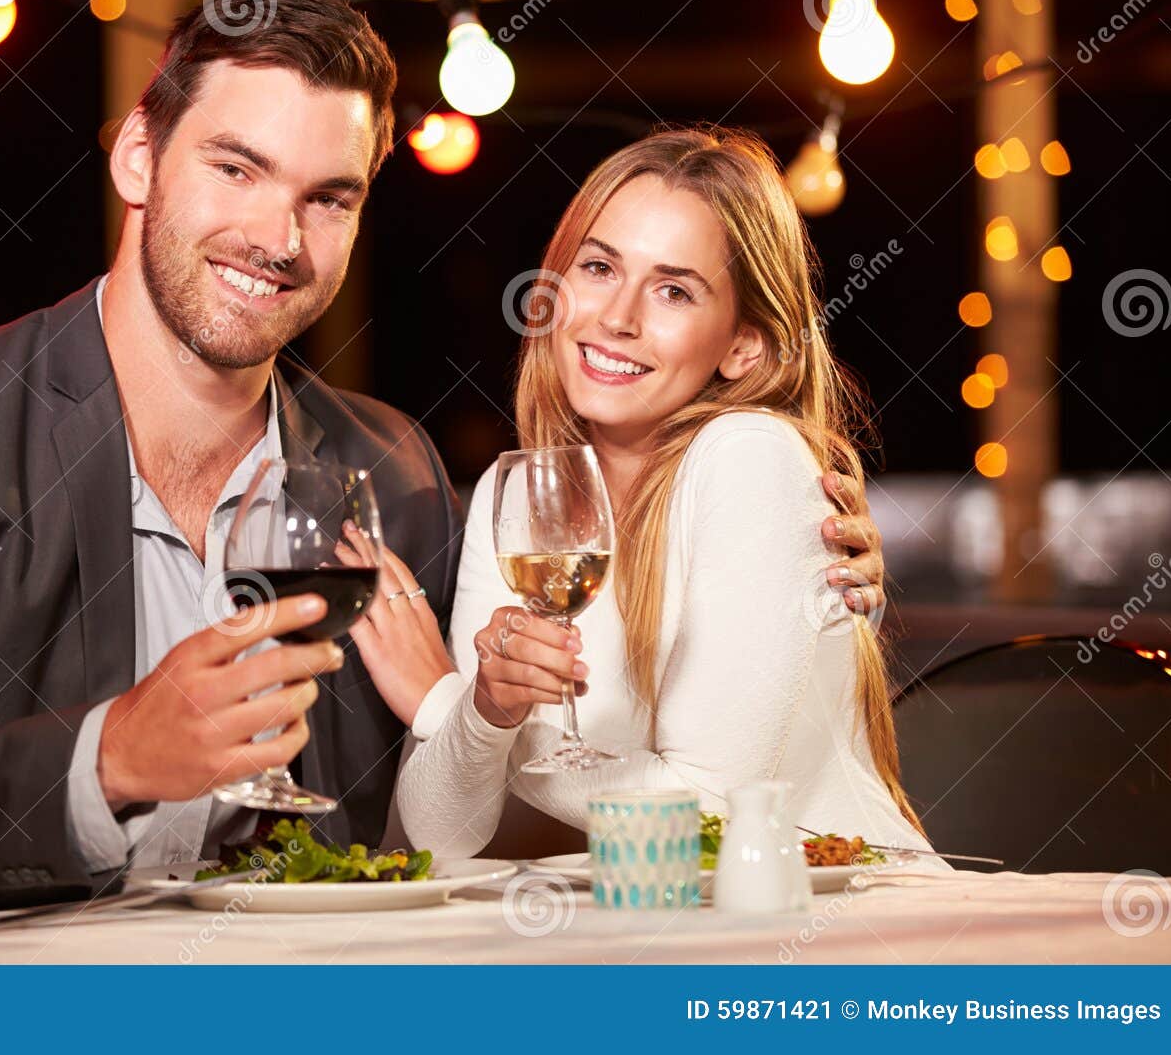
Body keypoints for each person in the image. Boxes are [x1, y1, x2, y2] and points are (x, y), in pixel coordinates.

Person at [0, 0, 891, 925]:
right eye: (236, 169)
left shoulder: (390, 469)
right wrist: (110, 756)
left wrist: (813, 584)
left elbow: (475, 786)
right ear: (140, 157)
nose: (278, 237)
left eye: (328, 197)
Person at [352, 128, 935, 862]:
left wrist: (443, 704)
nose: (617, 317)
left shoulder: (749, 455)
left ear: (743, 344)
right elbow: (441, 837)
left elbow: (704, 812)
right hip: (658, 930)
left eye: (674, 289)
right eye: (598, 267)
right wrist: (485, 712)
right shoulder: (523, 494)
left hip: (845, 935)